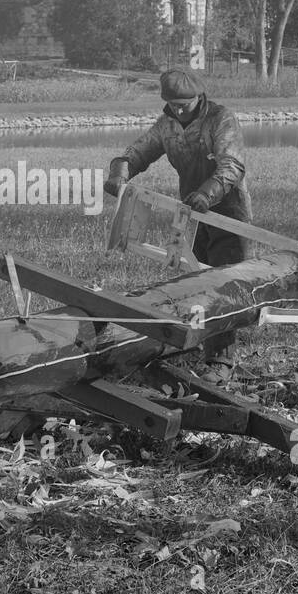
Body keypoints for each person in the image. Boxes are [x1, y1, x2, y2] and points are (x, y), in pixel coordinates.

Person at [104, 69, 252, 384]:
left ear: (200, 97)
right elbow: (138, 152)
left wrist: (208, 193)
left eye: (185, 104)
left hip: (228, 210)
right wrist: (120, 172)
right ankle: (199, 342)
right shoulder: (167, 125)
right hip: (192, 212)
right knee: (198, 279)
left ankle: (222, 360)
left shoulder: (221, 118)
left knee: (223, 283)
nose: (179, 110)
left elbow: (233, 165)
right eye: (173, 104)